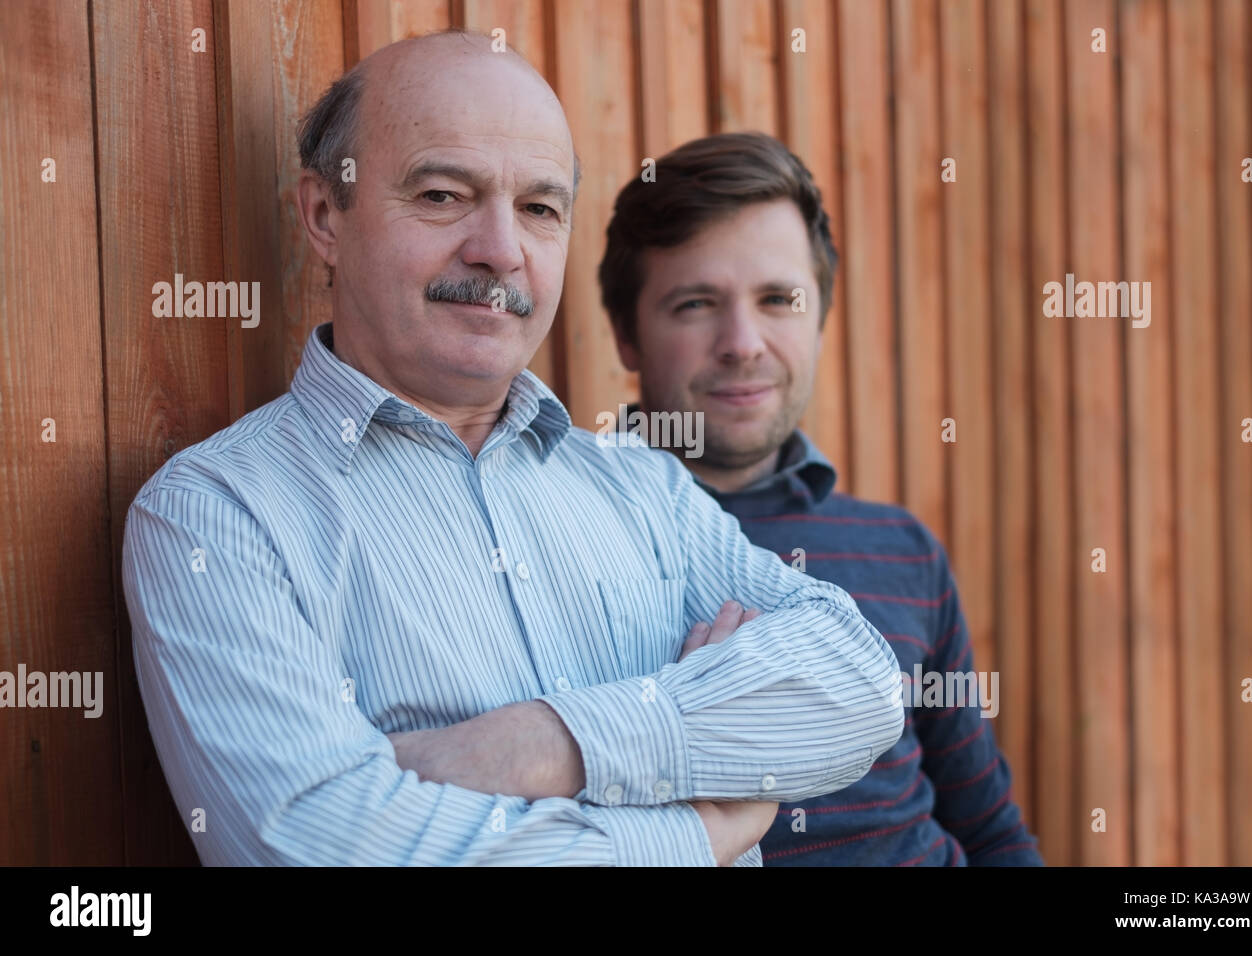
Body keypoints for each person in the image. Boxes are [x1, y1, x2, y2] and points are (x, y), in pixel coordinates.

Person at [121, 32, 903, 866]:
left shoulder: (644, 488)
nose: (501, 250)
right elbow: (321, 845)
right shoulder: (215, 516)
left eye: (539, 208)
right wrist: (696, 828)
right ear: (325, 215)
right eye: (444, 194)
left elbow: (860, 682)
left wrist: (548, 743)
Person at [598, 131, 1043, 865]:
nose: (742, 342)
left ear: (819, 317)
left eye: (778, 299)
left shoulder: (903, 549)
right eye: (696, 303)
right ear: (625, 334)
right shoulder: (564, 541)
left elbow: (990, 829)